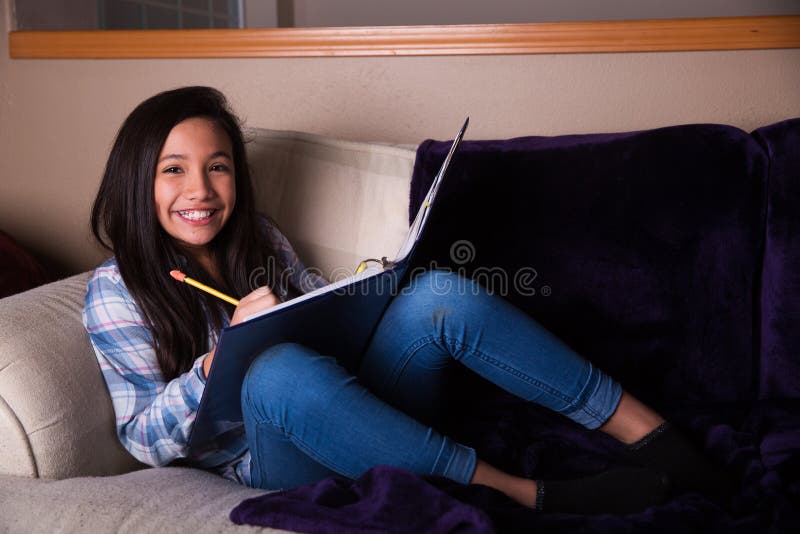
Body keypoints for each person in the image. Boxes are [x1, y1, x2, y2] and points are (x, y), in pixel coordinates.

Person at [83, 86, 724, 515]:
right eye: (174, 169)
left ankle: (658, 438)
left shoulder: (261, 237)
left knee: (437, 294)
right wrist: (215, 365)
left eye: (217, 165)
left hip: (348, 400)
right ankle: (527, 496)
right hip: (266, 457)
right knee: (274, 371)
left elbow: (321, 321)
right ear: (139, 177)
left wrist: (362, 293)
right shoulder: (116, 292)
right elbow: (142, 438)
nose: (200, 188)